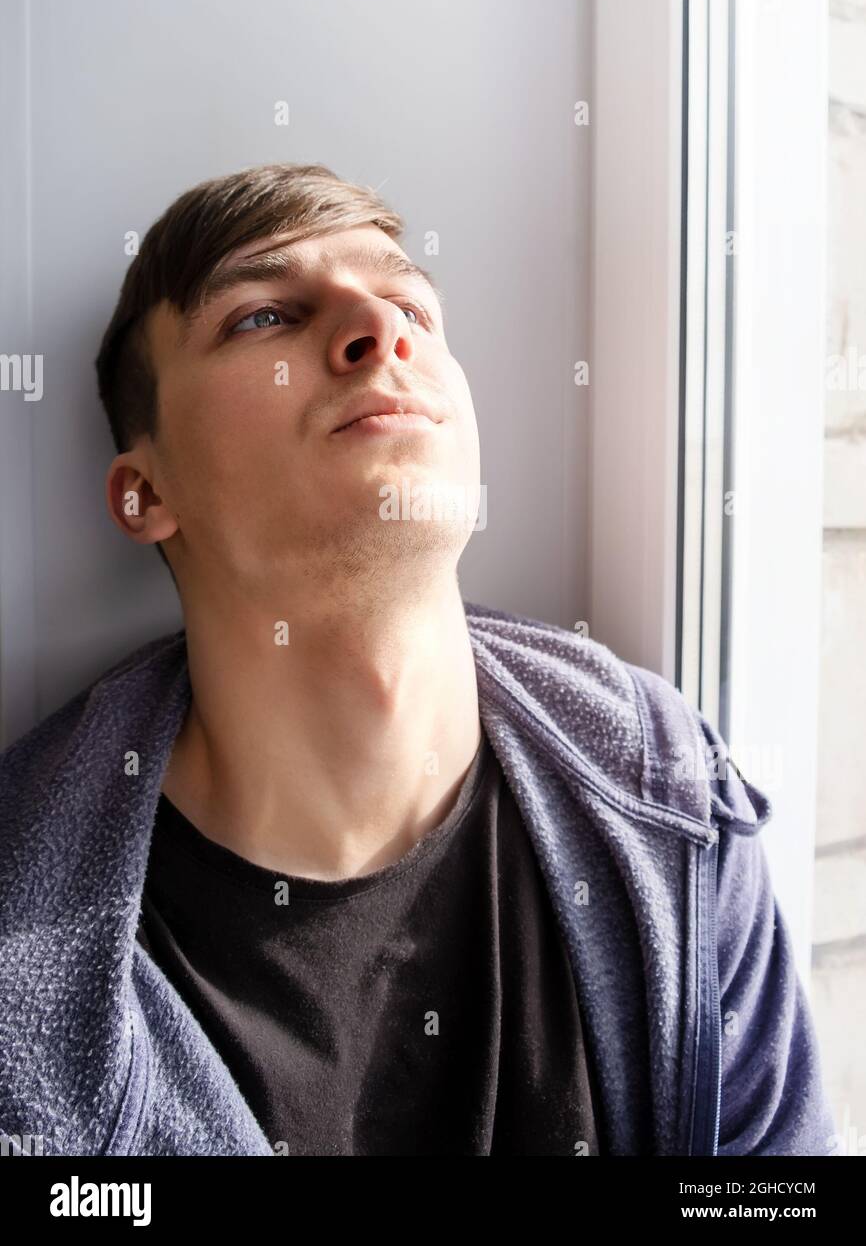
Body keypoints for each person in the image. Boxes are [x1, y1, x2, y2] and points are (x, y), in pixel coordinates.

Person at [0, 164, 836, 1157]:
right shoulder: (26, 954)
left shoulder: (666, 797)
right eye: (263, 317)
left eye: (408, 303)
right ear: (145, 493)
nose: (378, 329)